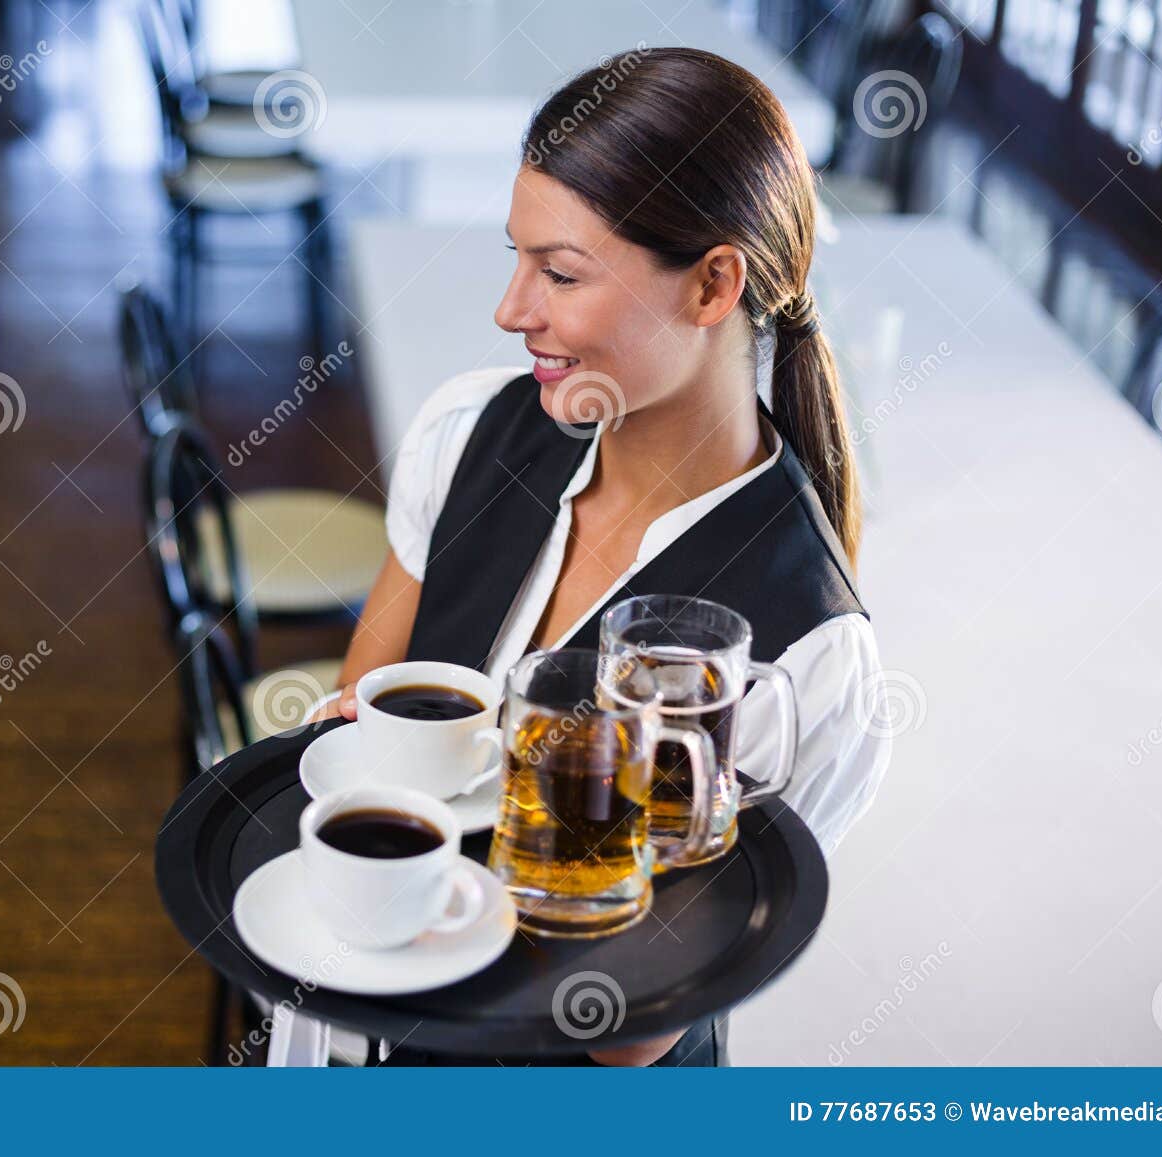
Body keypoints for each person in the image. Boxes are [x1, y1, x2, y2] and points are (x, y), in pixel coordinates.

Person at [311, 46, 891, 1066]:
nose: (510, 309)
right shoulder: (466, 432)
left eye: (560, 272)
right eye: (516, 256)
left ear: (714, 283)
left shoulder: (805, 664)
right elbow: (368, 734)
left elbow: (619, 1032)